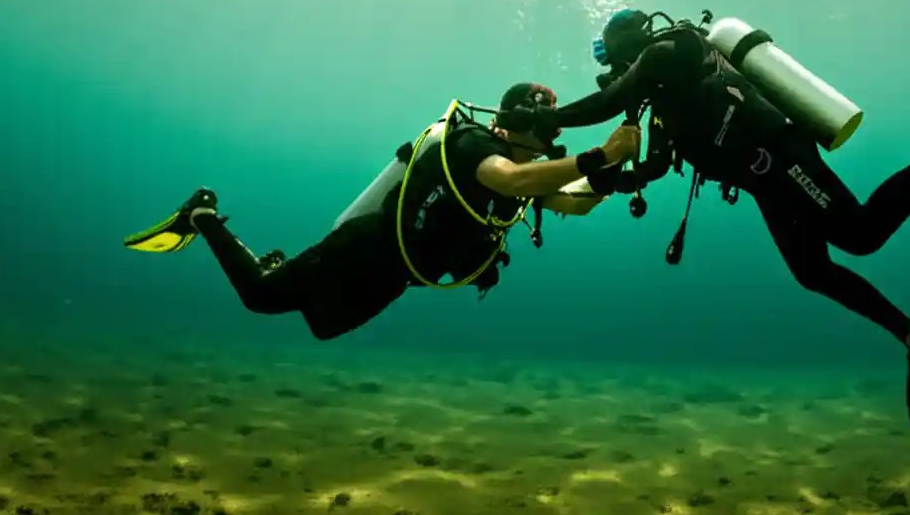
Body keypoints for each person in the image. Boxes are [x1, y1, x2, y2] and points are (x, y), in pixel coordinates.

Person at [510, 8, 910, 465]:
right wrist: (594, 179)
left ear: (629, 48)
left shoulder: (670, 52)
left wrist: (546, 119)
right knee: (812, 272)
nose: (615, 74)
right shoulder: (664, 99)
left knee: (862, 234)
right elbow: (650, 166)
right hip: (763, 181)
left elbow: (606, 101)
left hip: (778, 157)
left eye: (614, 59)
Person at [123, 82, 642, 342]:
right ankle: (203, 214)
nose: (551, 141)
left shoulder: (527, 174)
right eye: (547, 128)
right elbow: (510, 179)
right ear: (515, 123)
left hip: (398, 275)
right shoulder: (470, 142)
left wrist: (633, 170)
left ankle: (286, 269)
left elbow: (580, 206)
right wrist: (602, 155)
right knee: (260, 299)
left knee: (323, 327)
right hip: (365, 246)